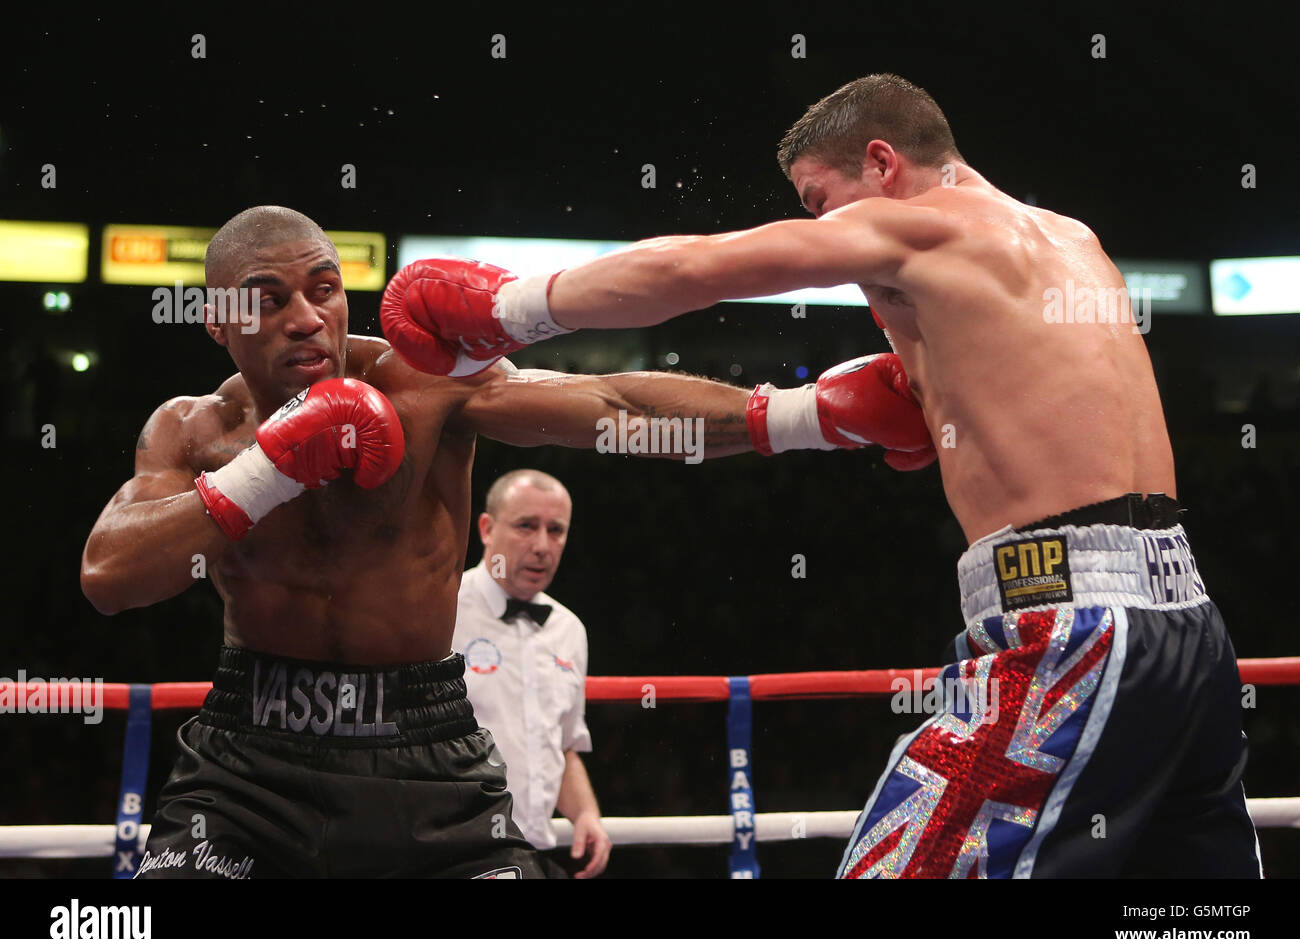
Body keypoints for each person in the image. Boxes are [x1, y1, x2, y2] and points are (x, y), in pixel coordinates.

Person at [382, 74, 1263, 878]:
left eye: (819, 201)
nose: (821, 228)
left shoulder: (923, 223)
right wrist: (818, 415)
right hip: (1187, 621)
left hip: (1075, 630)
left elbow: (689, 269)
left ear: (881, 162)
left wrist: (507, 308)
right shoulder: (1074, 241)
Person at [79, 204, 932, 879]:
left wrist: (802, 415)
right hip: (248, 762)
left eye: (325, 288)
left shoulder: (422, 384)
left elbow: (610, 409)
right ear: (216, 319)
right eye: (270, 298)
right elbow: (109, 574)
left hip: (427, 757)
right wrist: (269, 469)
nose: (307, 318)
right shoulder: (192, 433)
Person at [453, 469, 609, 878]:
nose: (542, 546)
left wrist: (587, 813)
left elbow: (561, 745)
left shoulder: (569, 629)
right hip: (458, 851)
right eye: (526, 526)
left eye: (555, 531)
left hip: (533, 851)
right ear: (486, 529)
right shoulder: (443, 612)